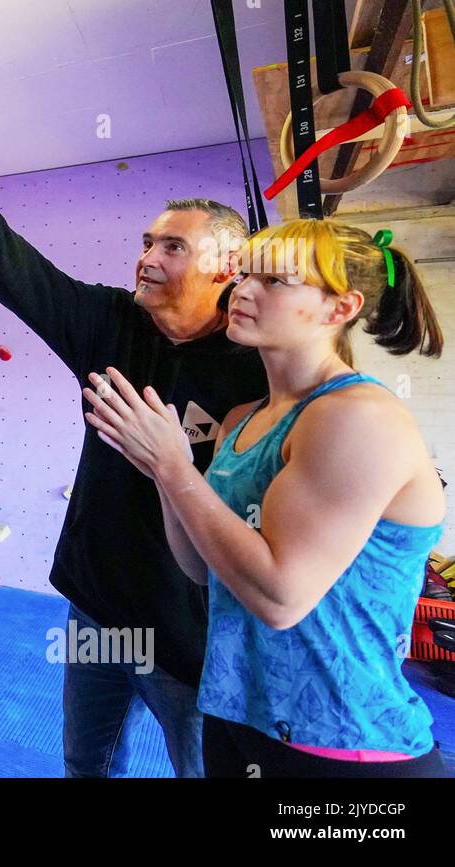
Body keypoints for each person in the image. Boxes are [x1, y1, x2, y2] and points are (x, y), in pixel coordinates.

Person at [0, 142, 268, 777]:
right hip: (96, 604)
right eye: (148, 242)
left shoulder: (258, 367)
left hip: (193, 636)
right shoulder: (112, 324)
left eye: (172, 247)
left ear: (227, 267)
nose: (148, 258)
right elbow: (34, 284)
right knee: (84, 762)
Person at [84, 218, 447, 777]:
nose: (243, 290)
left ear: (339, 309)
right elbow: (206, 573)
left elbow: (281, 598)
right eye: (246, 274)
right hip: (240, 713)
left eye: (275, 281)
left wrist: (175, 466)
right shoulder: (241, 420)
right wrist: (162, 475)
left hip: (343, 742)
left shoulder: (358, 417)